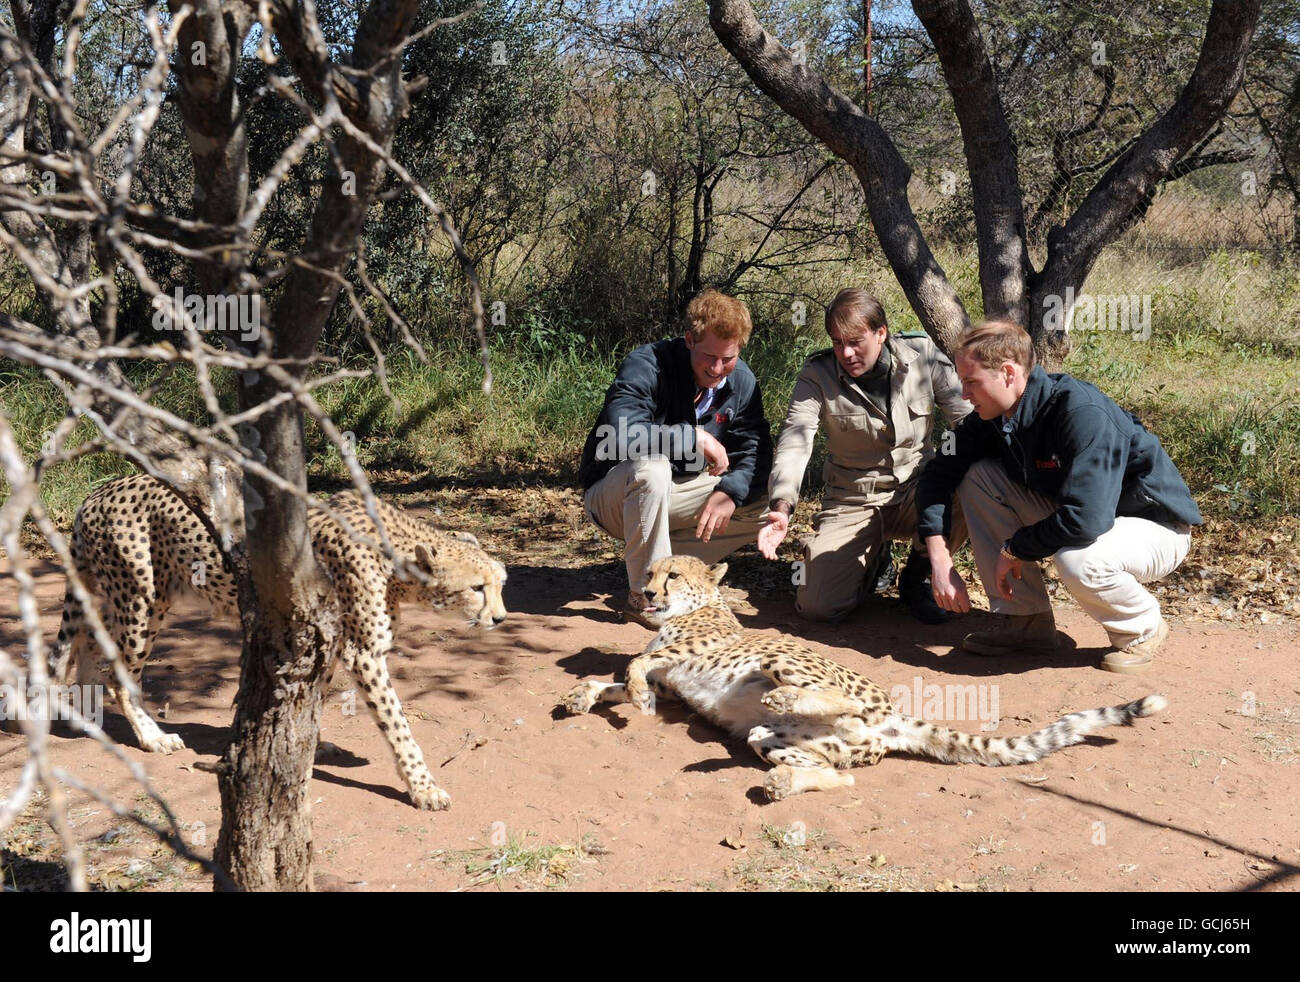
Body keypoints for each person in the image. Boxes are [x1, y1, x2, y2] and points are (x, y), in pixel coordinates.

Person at [916, 320, 1202, 673]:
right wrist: (940, 561)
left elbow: (1086, 519)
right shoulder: (992, 417)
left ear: (1008, 373)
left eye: (972, 382)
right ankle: (1026, 624)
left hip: (1155, 527)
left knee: (1077, 559)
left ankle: (1142, 628)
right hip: (1095, 517)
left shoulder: (1080, 413)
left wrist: (1015, 548)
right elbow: (937, 474)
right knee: (978, 477)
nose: (963, 394)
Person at [758, 288, 971, 623]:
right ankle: (872, 561)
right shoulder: (818, 374)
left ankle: (920, 573)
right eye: (837, 342)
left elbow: (968, 418)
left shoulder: (921, 355)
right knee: (819, 607)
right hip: (853, 499)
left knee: (978, 479)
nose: (846, 352)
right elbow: (795, 441)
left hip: (919, 489)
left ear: (881, 332)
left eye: (856, 341)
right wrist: (781, 505)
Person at [579, 288, 773, 620]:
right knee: (652, 470)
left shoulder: (742, 381)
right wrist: (690, 437)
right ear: (689, 340)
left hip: (677, 494)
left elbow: (755, 450)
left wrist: (731, 491)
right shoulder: (647, 364)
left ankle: (670, 577)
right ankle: (648, 598)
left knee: (770, 500)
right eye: (709, 357)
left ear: (740, 349)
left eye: (727, 359)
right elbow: (620, 435)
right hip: (615, 494)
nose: (716, 368)